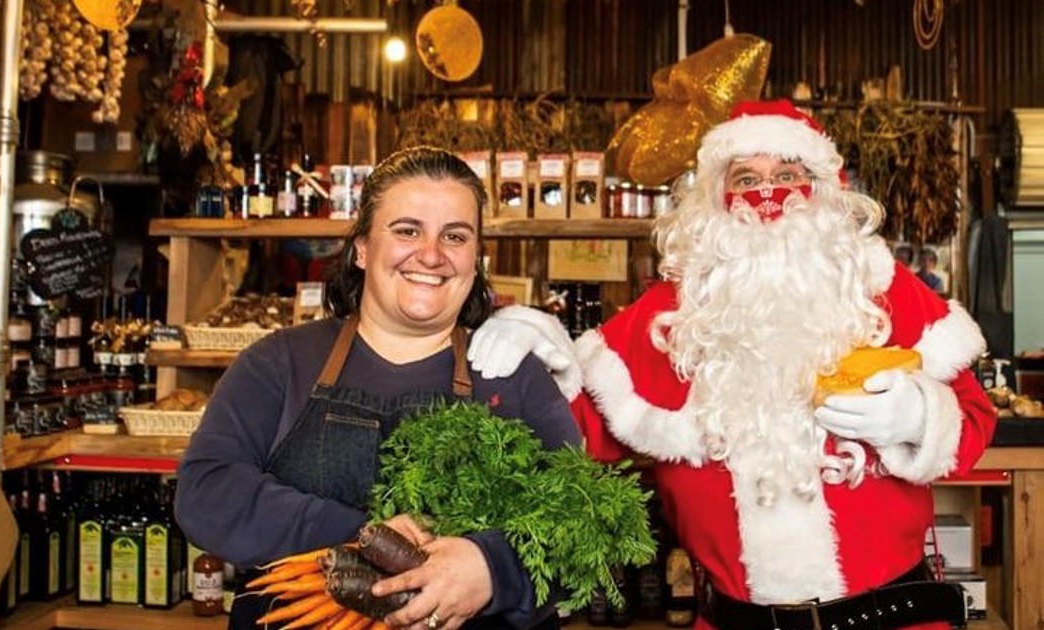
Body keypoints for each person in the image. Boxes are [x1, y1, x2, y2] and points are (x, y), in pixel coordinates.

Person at [467, 100, 996, 630]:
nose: (767, 195)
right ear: (717, 197)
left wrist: (921, 418)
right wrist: (538, 350)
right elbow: (572, 427)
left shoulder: (881, 289)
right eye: (746, 176)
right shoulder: (669, 316)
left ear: (821, 187)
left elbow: (974, 419)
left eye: (787, 173)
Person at [175, 145, 580, 630]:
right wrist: (360, 537)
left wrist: (494, 568)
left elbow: (586, 522)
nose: (430, 255)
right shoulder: (279, 362)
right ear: (362, 247)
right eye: (407, 230)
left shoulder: (514, 376)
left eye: (454, 236)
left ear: (476, 258)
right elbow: (206, 492)